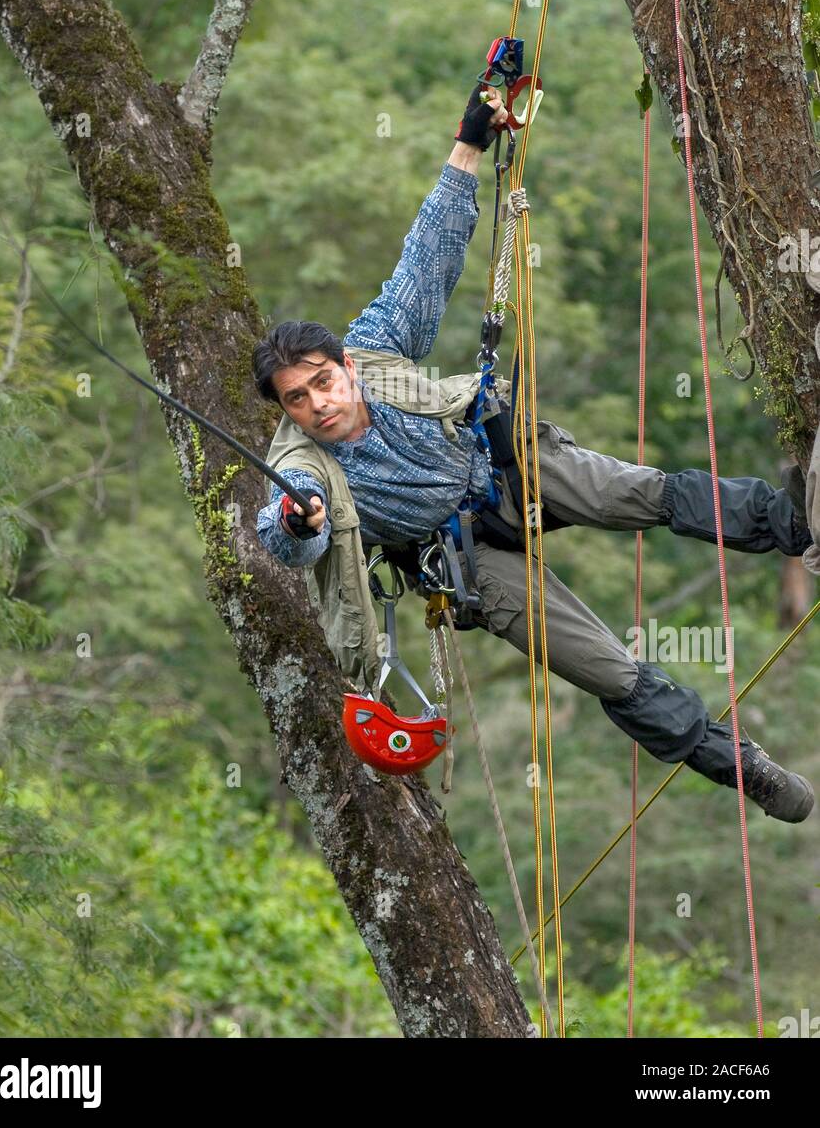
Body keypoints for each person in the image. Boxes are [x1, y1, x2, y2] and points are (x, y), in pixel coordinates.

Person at [253, 85, 815, 823]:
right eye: (298, 398)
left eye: (323, 382)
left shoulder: (377, 348)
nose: (318, 403)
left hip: (501, 466)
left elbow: (428, 260)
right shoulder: (299, 462)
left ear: (345, 368)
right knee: (604, 667)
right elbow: (286, 532)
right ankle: (735, 764)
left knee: (640, 494)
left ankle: (798, 522)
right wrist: (301, 524)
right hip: (465, 557)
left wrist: (469, 143)